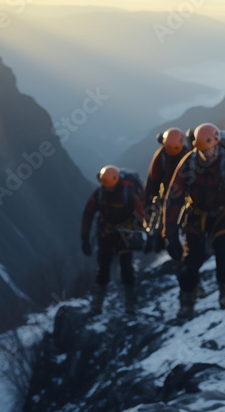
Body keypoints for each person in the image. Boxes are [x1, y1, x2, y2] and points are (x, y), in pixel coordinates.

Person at [163, 123, 225, 318]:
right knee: (190, 261)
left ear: (218, 144)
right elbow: (174, 198)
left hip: (222, 216)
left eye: (213, 148)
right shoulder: (188, 165)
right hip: (196, 217)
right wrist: (170, 234)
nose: (210, 153)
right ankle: (186, 303)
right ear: (198, 148)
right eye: (205, 150)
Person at [81, 165, 145, 314]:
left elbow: (140, 213)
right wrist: (84, 237)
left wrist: (140, 230)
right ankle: (98, 306)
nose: (107, 189)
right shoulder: (100, 194)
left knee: (126, 270)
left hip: (123, 237)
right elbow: (88, 214)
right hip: (107, 237)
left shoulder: (127, 193)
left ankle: (128, 305)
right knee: (103, 270)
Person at [143, 127, 188, 253]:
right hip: (178, 196)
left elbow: (151, 185)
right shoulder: (187, 154)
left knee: (167, 224)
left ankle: (165, 246)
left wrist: (147, 213)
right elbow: (152, 183)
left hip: (174, 196)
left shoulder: (162, 156)